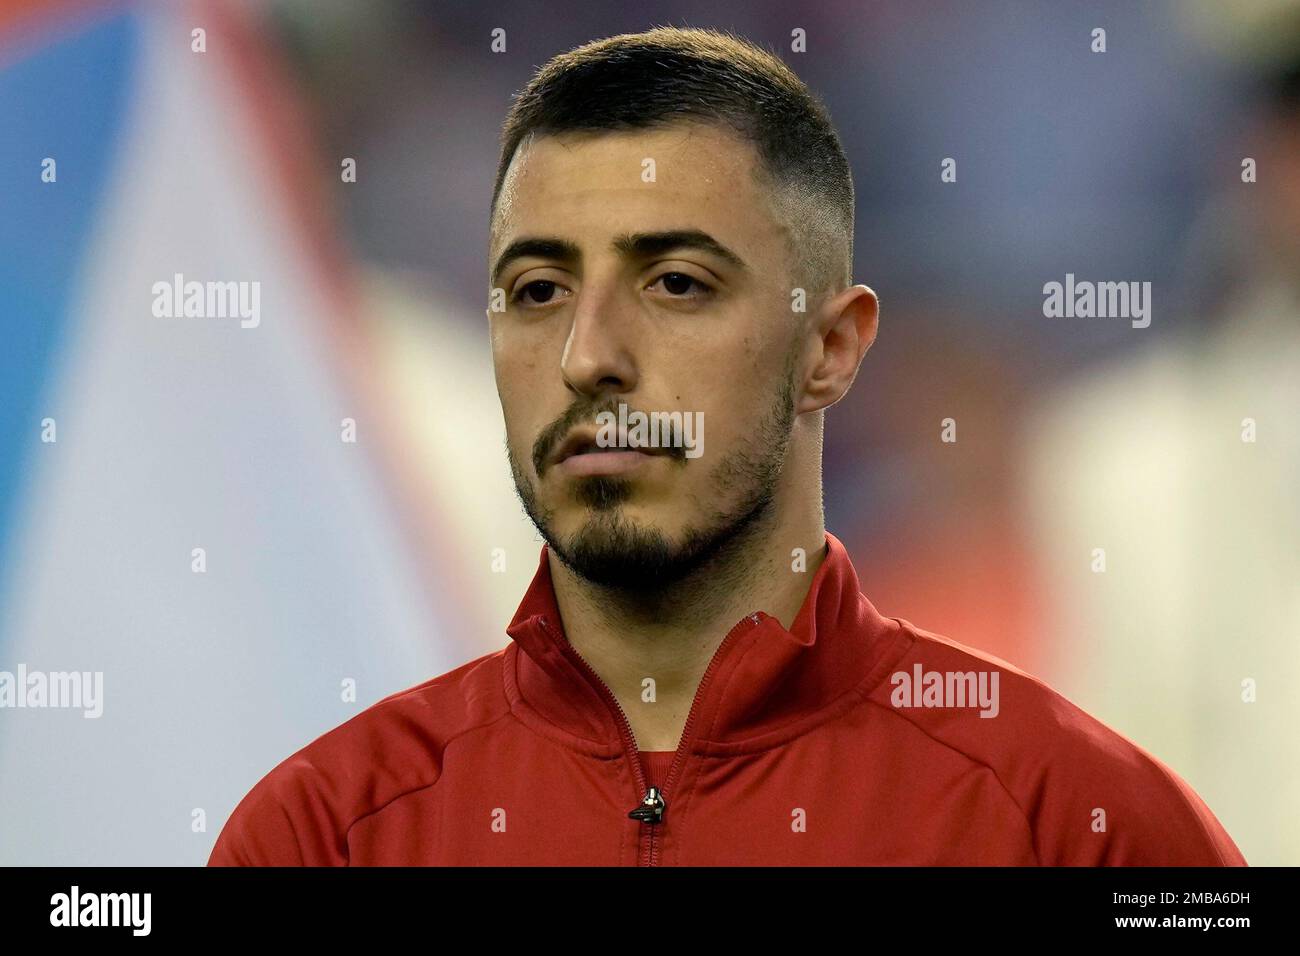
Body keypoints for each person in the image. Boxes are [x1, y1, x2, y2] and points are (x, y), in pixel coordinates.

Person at [209, 26, 1245, 866]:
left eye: (676, 284)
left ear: (830, 348)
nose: (590, 357)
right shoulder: (324, 832)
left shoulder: (1077, 826)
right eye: (538, 290)